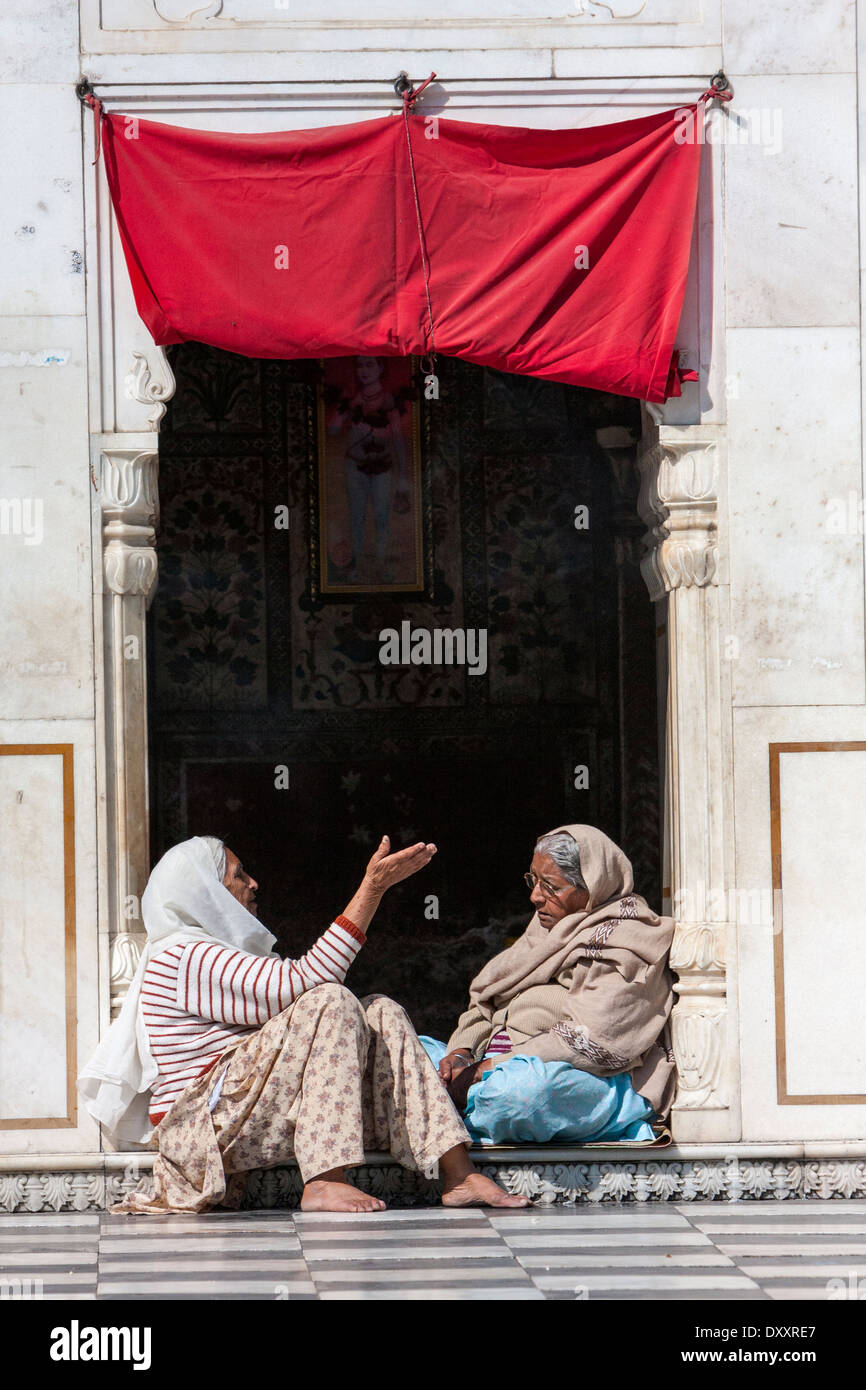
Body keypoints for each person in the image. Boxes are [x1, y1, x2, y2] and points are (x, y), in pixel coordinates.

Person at [78, 835, 527, 1214]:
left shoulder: (214, 952)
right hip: (206, 1129)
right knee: (329, 1000)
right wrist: (371, 890)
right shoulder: (181, 955)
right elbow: (304, 983)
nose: (254, 884)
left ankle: (458, 1173)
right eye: (238, 875)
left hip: (246, 1114)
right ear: (206, 891)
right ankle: (324, 1179)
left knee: (381, 1011)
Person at [421, 824, 677, 1147]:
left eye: (550, 887)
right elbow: (488, 999)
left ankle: (446, 1109)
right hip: (493, 1063)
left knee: (520, 1096)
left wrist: (487, 1069)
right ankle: (459, 1103)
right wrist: (460, 1053)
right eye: (533, 880)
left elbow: (591, 1038)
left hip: (588, 1078)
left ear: (591, 888)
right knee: (407, 1056)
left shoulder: (629, 942)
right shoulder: (547, 930)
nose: (535, 896)